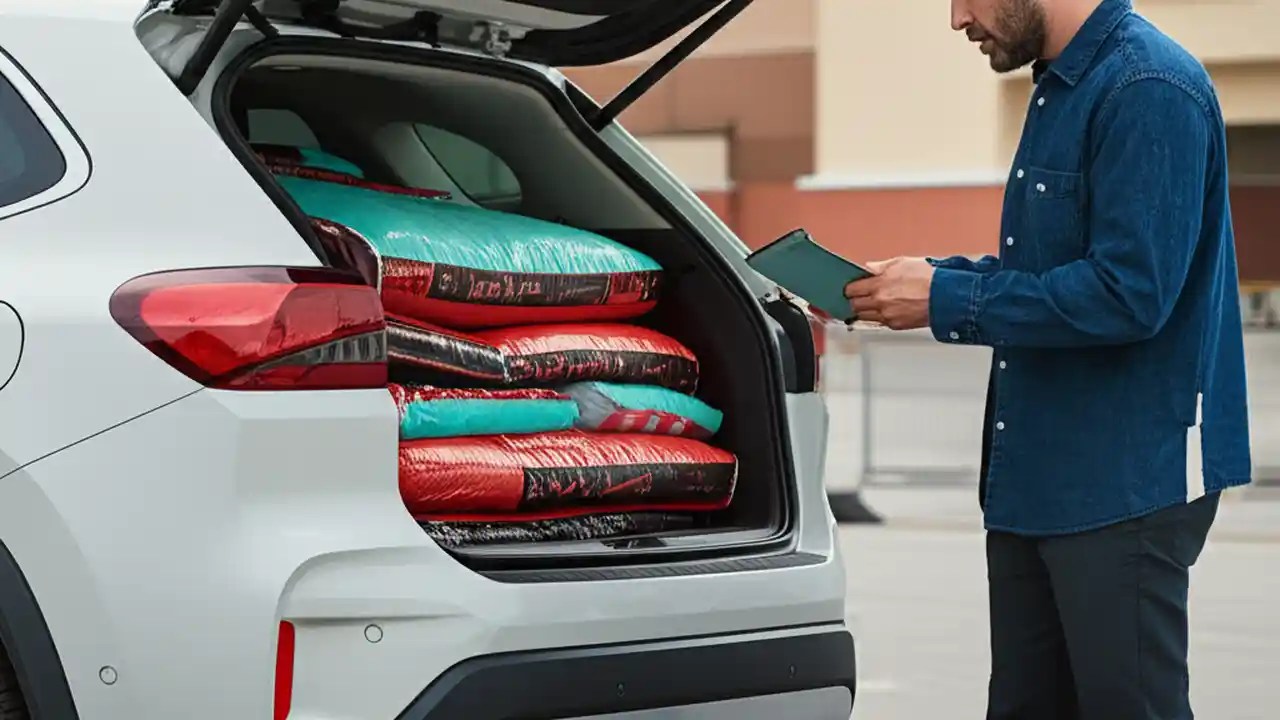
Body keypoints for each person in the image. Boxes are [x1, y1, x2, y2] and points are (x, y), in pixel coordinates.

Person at [843, 0, 1252, 718]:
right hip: (1034, 481)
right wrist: (928, 281)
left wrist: (946, 300)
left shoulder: (1149, 86)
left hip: (1125, 485)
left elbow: (1128, 294)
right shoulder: (1063, 86)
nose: (956, 18)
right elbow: (1045, 272)